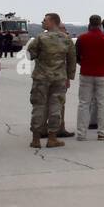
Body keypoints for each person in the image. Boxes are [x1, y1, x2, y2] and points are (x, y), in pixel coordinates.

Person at [27, 13, 75, 148]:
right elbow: (72, 60)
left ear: (53, 22)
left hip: (41, 78)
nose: (43, 22)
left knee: (38, 106)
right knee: (56, 107)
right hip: (59, 78)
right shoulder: (66, 39)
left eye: (45, 20)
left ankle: (36, 139)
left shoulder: (40, 38)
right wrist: (69, 77)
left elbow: (30, 54)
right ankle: (52, 138)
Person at [74, 14, 104, 138]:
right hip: (103, 74)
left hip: (86, 73)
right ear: (100, 24)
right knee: (103, 103)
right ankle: (102, 133)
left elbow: (76, 57)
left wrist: (84, 64)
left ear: (89, 24)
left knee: (84, 103)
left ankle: (81, 133)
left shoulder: (82, 38)